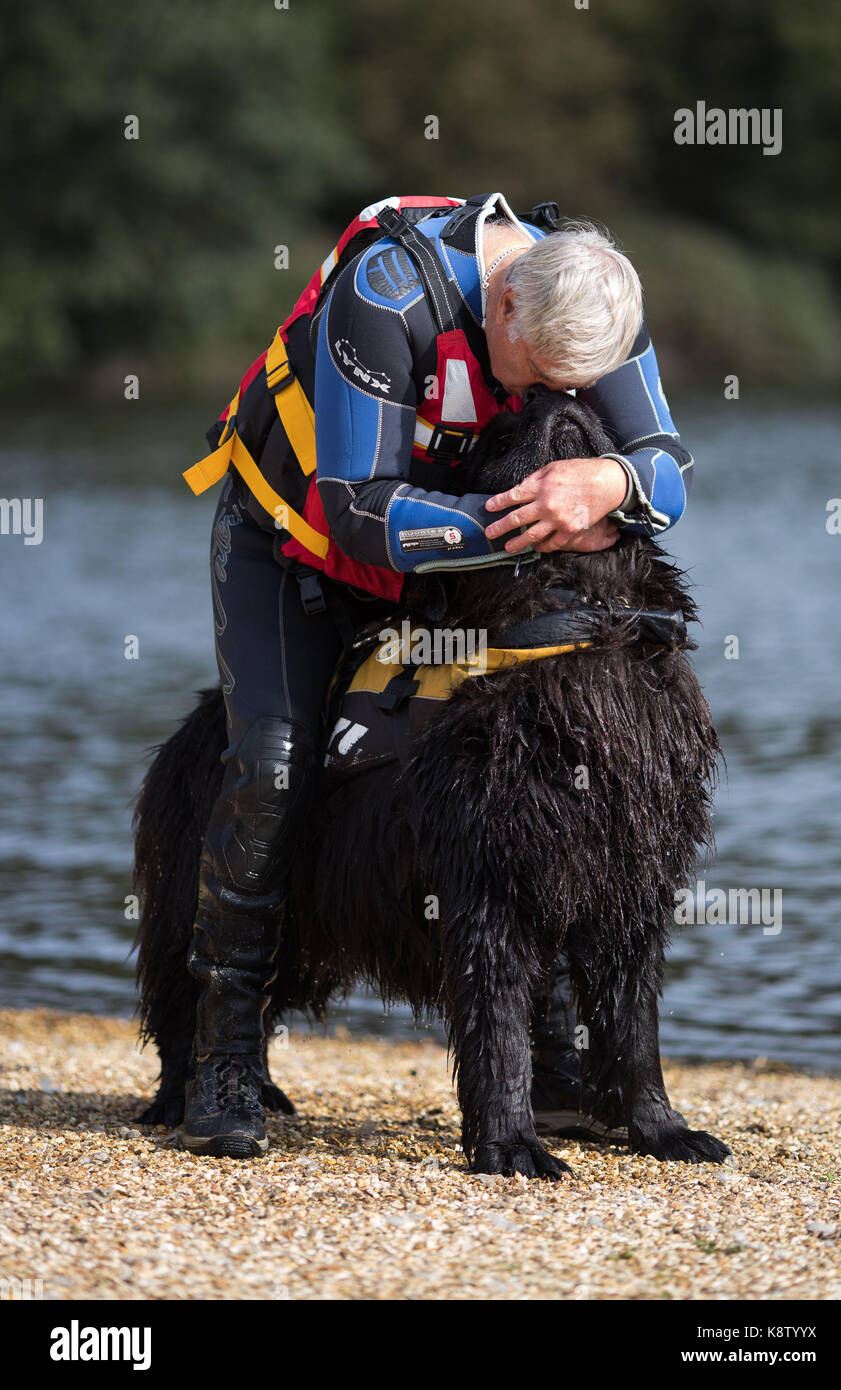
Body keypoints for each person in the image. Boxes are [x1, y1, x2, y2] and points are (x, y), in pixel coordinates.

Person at [180, 192, 694, 1158]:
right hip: (300, 547)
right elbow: (356, 508)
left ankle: (546, 1064)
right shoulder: (387, 294)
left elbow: (668, 461)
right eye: (537, 381)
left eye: (572, 390)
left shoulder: (589, 298)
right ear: (501, 309)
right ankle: (228, 1052)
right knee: (276, 762)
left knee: (493, 780)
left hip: (450, 561)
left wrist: (614, 483)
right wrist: (523, 516)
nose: (550, 405)